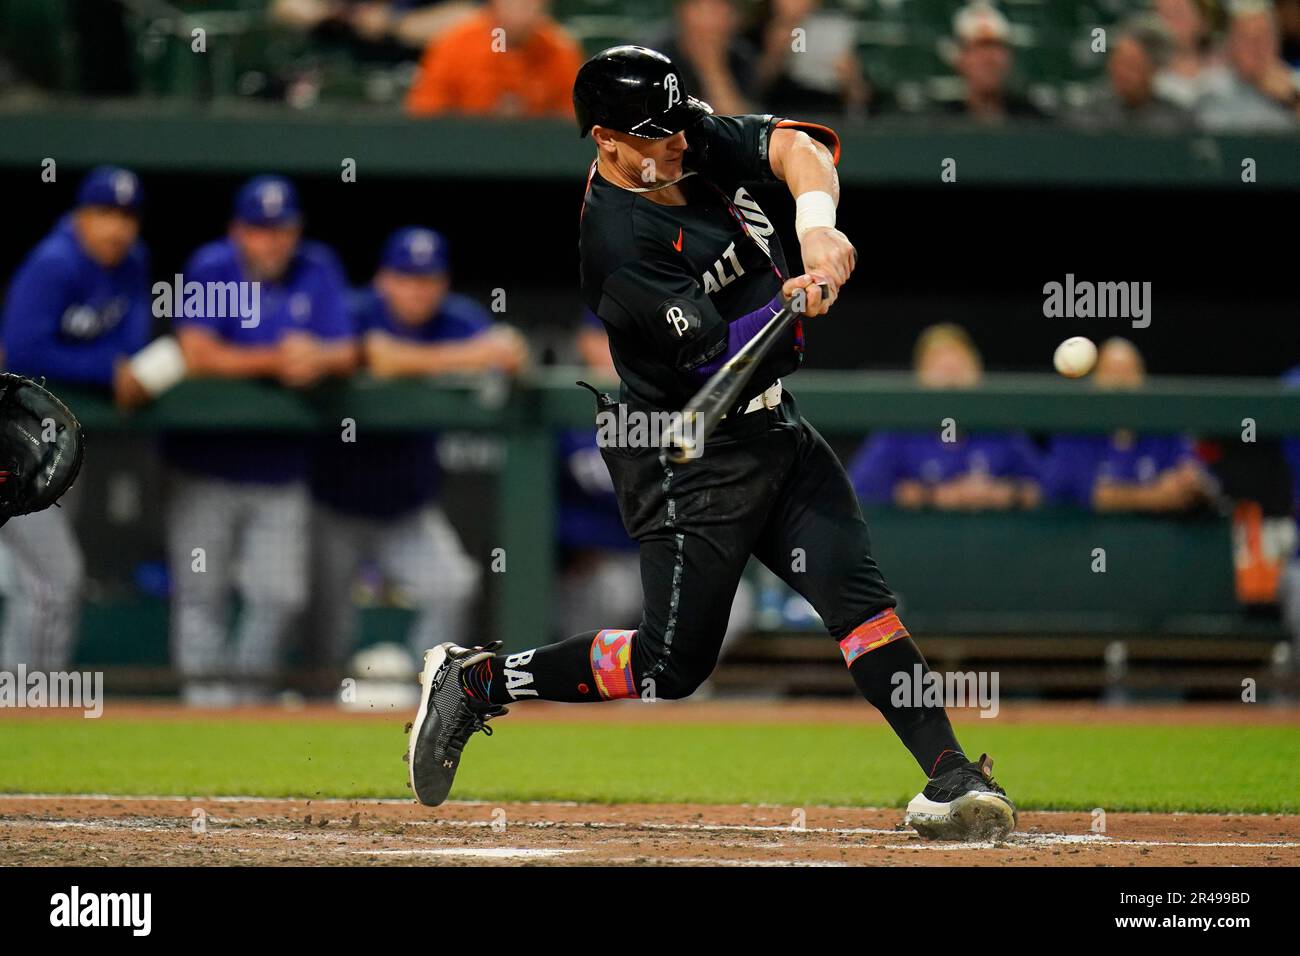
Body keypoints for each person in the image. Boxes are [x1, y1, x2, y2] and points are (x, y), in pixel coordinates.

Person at [406, 45, 1017, 842]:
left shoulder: (684, 131)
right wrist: (791, 303)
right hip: (689, 451)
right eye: (653, 136)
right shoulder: (617, 243)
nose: (676, 144)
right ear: (605, 140)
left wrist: (819, 229)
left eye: (676, 125)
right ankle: (481, 680)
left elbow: (800, 147)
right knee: (670, 666)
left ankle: (950, 773)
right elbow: (713, 353)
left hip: (773, 426)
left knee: (860, 606)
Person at [163, 175, 357, 706]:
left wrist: (318, 356)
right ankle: (205, 713)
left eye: (281, 228)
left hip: (280, 471)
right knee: (202, 596)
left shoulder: (316, 267)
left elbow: (346, 350)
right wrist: (278, 359)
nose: (272, 240)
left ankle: (243, 710)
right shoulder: (212, 266)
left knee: (280, 594)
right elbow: (197, 352)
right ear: (238, 231)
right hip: (207, 467)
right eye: (259, 229)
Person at [307, 226, 527, 676]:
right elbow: (378, 356)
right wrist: (466, 356)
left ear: (442, 282)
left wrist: (500, 349)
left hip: (407, 508)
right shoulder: (355, 309)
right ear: (383, 279)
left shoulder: (456, 316)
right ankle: (316, 708)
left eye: (427, 279)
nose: (417, 290)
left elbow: (510, 353)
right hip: (332, 504)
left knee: (453, 585)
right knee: (324, 627)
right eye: (405, 277)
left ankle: (426, 692)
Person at [0, 166, 151, 672]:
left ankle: (22, 708)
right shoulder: (54, 263)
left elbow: (130, 343)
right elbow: (21, 350)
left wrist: (114, 368)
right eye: (105, 214)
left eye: (128, 216)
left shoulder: (132, 263)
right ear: (79, 216)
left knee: (38, 581)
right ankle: (29, 707)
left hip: (51, 441)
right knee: (54, 578)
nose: (118, 228)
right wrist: (104, 369)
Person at [848, 324, 1041, 512]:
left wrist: (1004, 493)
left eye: (959, 368)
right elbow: (862, 488)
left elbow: (1046, 487)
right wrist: (932, 495)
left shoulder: (1000, 428)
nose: (951, 380)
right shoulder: (901, 430)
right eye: (941, 369)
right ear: (920, 378)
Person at [1041, 338, 1210, 514]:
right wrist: (1155, 496)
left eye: (1128, 372)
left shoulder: (1165, 430)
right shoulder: (1075, 432)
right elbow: (1083, 493)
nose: (1120, 382)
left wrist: (1190, 482)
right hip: (1089, 538)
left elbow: (1196, 474)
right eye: (1111, 372)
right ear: (1095, 382)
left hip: (1157, 538)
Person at [404, 0, 583, 118]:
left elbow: (572, 123)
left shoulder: (559, 52)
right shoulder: (454, 46)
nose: (521, 13)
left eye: (529, 5)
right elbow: (424, 114)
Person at [748, 0, 870, 118]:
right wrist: (773, 56)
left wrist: (851, 81)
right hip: (780, 118)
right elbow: (751, 90)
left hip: (827, 116)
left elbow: (860, 103)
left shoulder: (831, 34)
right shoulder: (753, 34)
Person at [1071, 17, 1193, 132]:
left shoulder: (1176, 122)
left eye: (1130, 66)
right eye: (1117, 63)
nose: (1120, 73)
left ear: (1153, 70)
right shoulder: (1090, 114)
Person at [1196, 2, 1300, 131]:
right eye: (1246, 38)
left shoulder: (1294, 85)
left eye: (1264, 37)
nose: (1257, 48)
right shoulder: (1210, 91)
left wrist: (1293, 100)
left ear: (1277, 43)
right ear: (1229, 47)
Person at [650, 0, 760, 116]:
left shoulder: (743, 59)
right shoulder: (655, 60)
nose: (710, 22)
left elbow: (744, 125)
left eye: (718, 10)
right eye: (701, 9)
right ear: (682, 12)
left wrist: (713, 72)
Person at [941, 2, 1045, 123]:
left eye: (997, 47)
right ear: (960, 59)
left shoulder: (1033, 121)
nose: (989, 59)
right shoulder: (941, 123)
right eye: (979, 48)